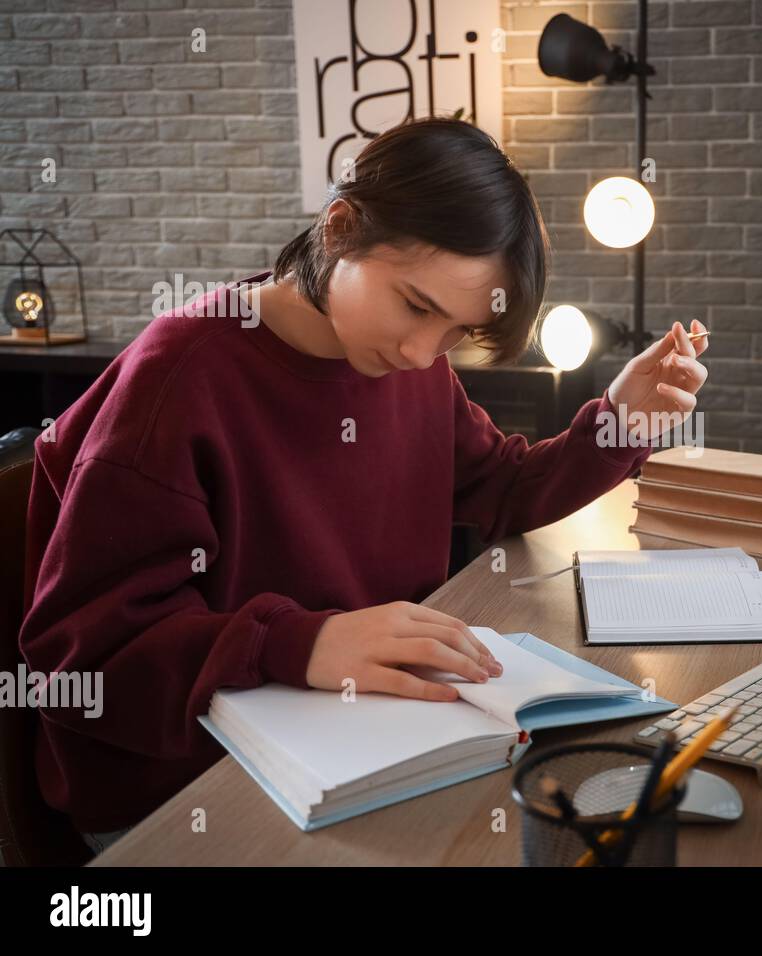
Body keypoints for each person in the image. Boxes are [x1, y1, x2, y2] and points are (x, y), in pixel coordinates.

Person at [18, 117, 709, 852]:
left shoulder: (406, 366)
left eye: (454, 332)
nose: (422, 353)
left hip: (364, 737)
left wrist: (619, 425)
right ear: (341, 228)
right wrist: (299, 643)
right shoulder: (182, 377)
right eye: (416, 306)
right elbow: (81, 655)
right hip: (182, 788)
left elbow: (501, 487)